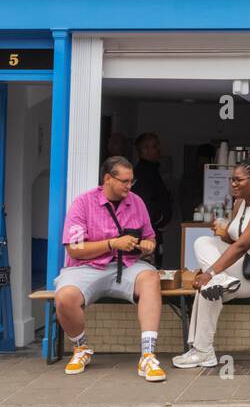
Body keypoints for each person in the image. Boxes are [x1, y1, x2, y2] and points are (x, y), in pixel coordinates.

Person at [172, 154, 250, 369]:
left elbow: (241, 245)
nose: (233, 184)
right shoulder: (240, 202)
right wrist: (223, 234)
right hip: (248, 261)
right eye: (232, 179)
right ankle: (203, 349)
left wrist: (210, 273)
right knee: (203, 243)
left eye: (238, 180)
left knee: (210, 285)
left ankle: (203, 351)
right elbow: (235, 239)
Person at [53, 156, 167, 382]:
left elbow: (150, 237)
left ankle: (148, 355)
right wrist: (111, 243)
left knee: (151, 278)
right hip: (86, 267)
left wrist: (147, 245)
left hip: (127, 265)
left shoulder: (137, 202)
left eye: (131, 181)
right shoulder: (82, 203)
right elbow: (74, 249)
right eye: (124, 181)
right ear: (107, 178)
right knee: (64, 297)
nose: (129, 186)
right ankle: (81, 349)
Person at [133, 132, 173, 239]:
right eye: (155, 146)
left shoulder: (152, 171)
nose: (159, 149)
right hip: (146, 235)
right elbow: (143, 203)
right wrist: (160, 220)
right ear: (144, 150)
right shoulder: (143, 173)